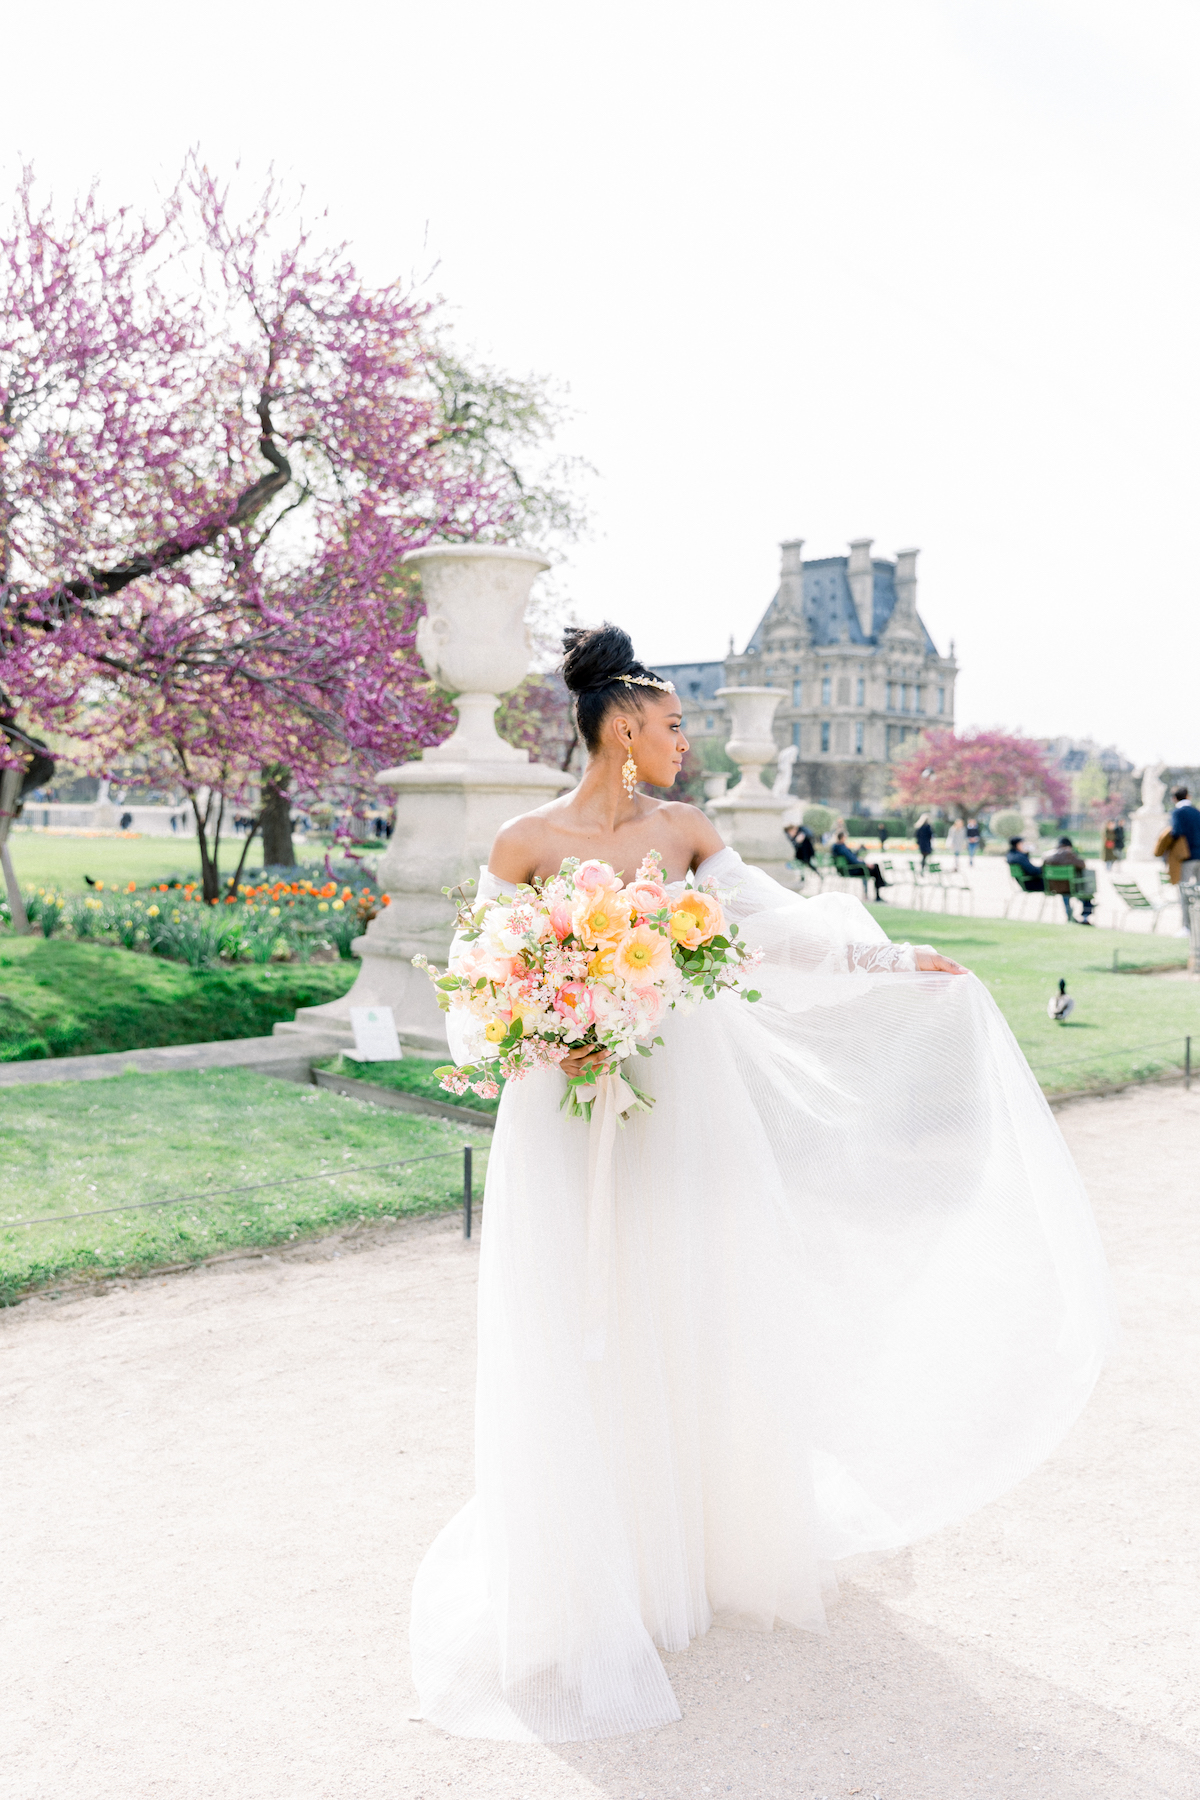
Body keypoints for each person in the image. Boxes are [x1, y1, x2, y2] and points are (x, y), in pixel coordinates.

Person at [410, 622, 1115, 1744]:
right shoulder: (521, 841)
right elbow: (473, 986)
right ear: (625, 726)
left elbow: (776, 932)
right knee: (571, 1315)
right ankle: (584, 1573)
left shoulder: (685, 833)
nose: (688, 740)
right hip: (560, 1109)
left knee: (693, 1301)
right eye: (676, 723)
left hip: (683, 1103)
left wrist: (887, 960)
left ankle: (696, 1552)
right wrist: (540, 1031)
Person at [1167, 786, 1200, 932]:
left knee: (1184, 892)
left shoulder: (1177, 813)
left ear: (1174, 798)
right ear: (1188, 796)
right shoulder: (1196, 812)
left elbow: (1177, 832)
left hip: (1187, 857)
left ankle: (1186, 926)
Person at [1043, 836, 1094, 925]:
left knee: (1064, 890)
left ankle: (1069, 916)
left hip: (1053, 887)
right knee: (1085, 891)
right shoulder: (1068, 854)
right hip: (1070, 887)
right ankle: (1085, 916)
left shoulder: (1047, 856)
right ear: (1069, 846)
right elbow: (1082, 864)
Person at [831, 828, 889, 900]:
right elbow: (853, 860)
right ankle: (879, 890)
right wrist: (865, 864)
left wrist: (857, 852)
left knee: (874, 868)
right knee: (875, 867)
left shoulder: (837, 847)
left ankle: (881, 885)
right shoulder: (842, 848)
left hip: (848, 868)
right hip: (851, 869)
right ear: (843, 837)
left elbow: (851, 857)